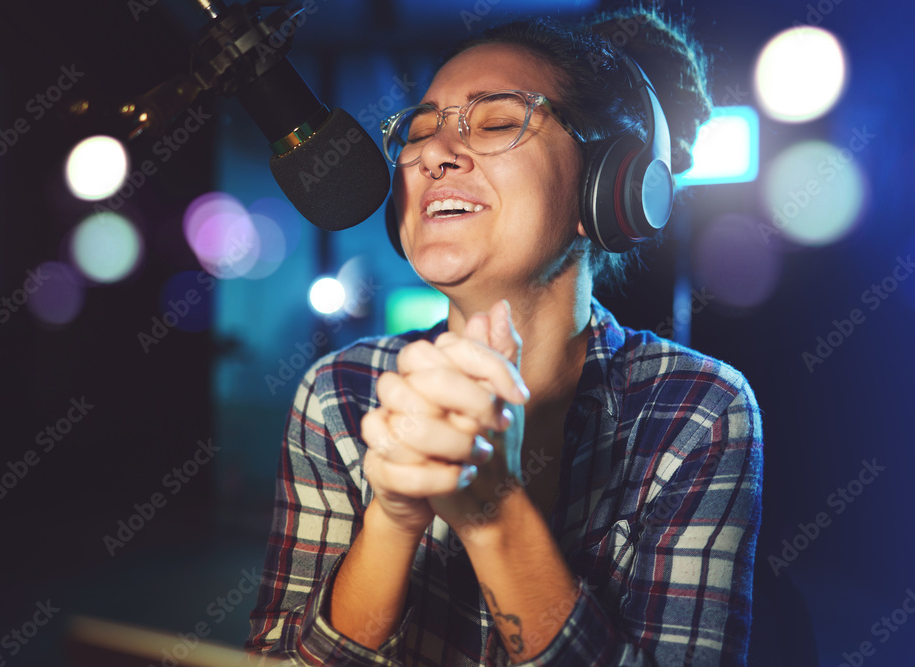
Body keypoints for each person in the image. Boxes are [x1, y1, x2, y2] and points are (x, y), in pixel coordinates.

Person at [247, 7, 763, 666]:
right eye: (421, 131)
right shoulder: (339, 392)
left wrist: (492, 511)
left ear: (609, 188)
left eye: (497, 121)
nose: (432, 151)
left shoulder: (702, 410)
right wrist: (393, 519)